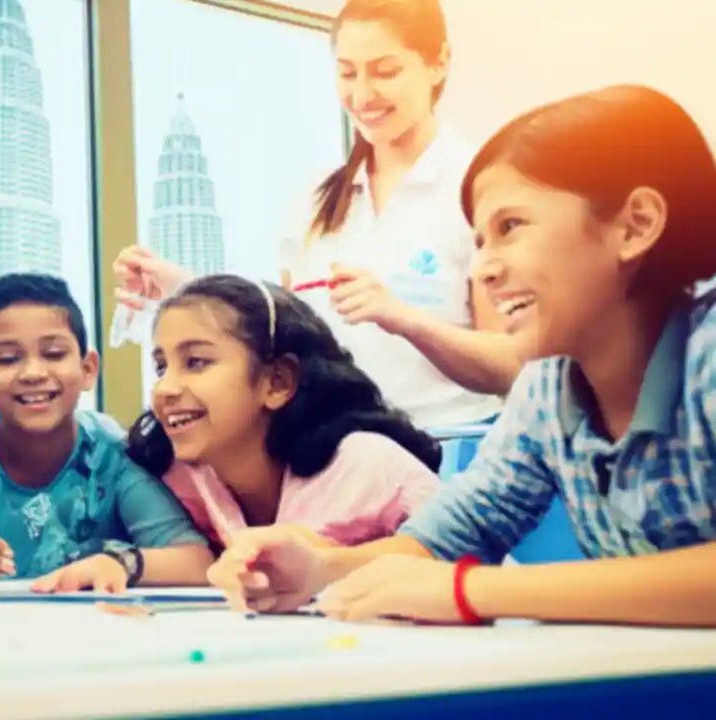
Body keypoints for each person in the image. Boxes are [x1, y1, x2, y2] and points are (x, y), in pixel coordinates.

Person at [208, 85, 716, 628]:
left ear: (635, 225)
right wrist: (321, 569)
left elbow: (459, 577)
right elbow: (452, 534)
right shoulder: (548, 388)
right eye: (479, 243)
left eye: (510, 227)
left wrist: (474, 590)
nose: (482, 271)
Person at [114, 0, 518, 431]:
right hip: (335, 445)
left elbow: (511, 365)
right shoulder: (317, 197)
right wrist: (184, 287)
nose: (362, 95)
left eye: (385, 71)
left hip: (450, 444)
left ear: (438, 64)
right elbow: (280, 329)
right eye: (347, 73)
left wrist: (402, 318)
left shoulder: (480, 189)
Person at [0, 274, 211, 592]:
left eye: (53, 354)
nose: (33, 373)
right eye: (8, 359)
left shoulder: (114, 458)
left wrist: (120, 563)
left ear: (88, 369)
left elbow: (197, 561)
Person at [127, 274, 442, 551]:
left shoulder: (370, 466)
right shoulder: (176, 477)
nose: (164, 389)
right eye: (161, 367)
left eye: (196, 362)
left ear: (278, 382)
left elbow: (460, 557)